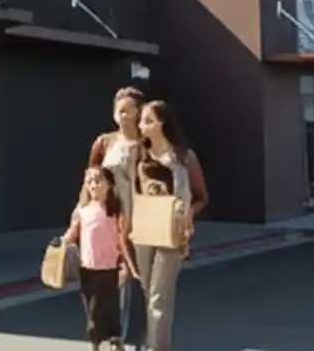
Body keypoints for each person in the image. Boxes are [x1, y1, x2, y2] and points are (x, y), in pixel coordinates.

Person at [133, 100, 209, 351]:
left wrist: (188, 213)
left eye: (148, 120)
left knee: (159, 296)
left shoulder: (184, 158)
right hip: (144, 230)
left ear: (162, 123)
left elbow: (201, 197)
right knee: (148, 292)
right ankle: (152, 342)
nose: (142, 126)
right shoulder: (139, 157)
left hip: (171, 232)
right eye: (142, 121)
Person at [89, 86, 148, 349]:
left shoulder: (148, 144)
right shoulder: (105, 143)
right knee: (111, 279)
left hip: (142, 221)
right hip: (110, 221)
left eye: (128, 110)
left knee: (138, 280)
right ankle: (115, 338)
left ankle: (136, 338)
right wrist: (80, 216)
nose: (122, 115)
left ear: (139, 112)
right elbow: (90, 180)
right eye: (118, 110)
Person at [65, 166, 138, 351]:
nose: (93, 185)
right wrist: (62, 243)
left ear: (109, 185)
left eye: (97, 180)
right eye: (89, 181)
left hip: (109, 269)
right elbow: (72, 234)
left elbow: (122, 241)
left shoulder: (115, 212)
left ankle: (115, 339)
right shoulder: (83, 211)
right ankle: (95, 344)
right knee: (92, 309)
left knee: (110, 308)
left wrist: (127, 266)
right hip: (87, 269)